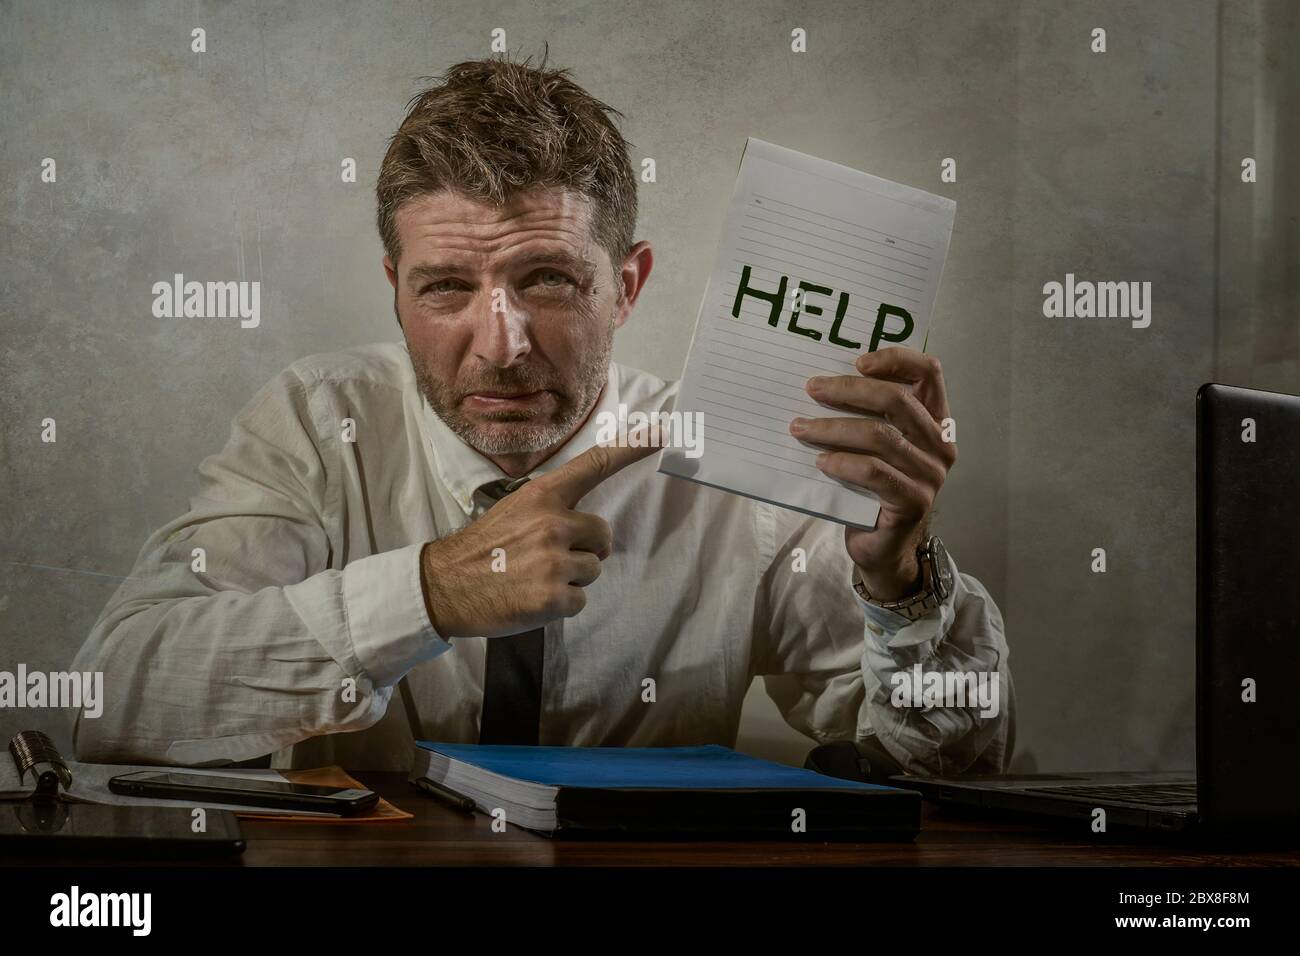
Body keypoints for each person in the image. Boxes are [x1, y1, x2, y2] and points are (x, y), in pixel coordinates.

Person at [71, 54, 1014, 775]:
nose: (502, 344)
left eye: (548, 279)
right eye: (446, 287)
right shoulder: (319, 425)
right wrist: (434, 592)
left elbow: (950, 766)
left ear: (627, 286)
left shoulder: (740, 450)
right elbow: (111, 701)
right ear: (395, 290)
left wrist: (900, 587)